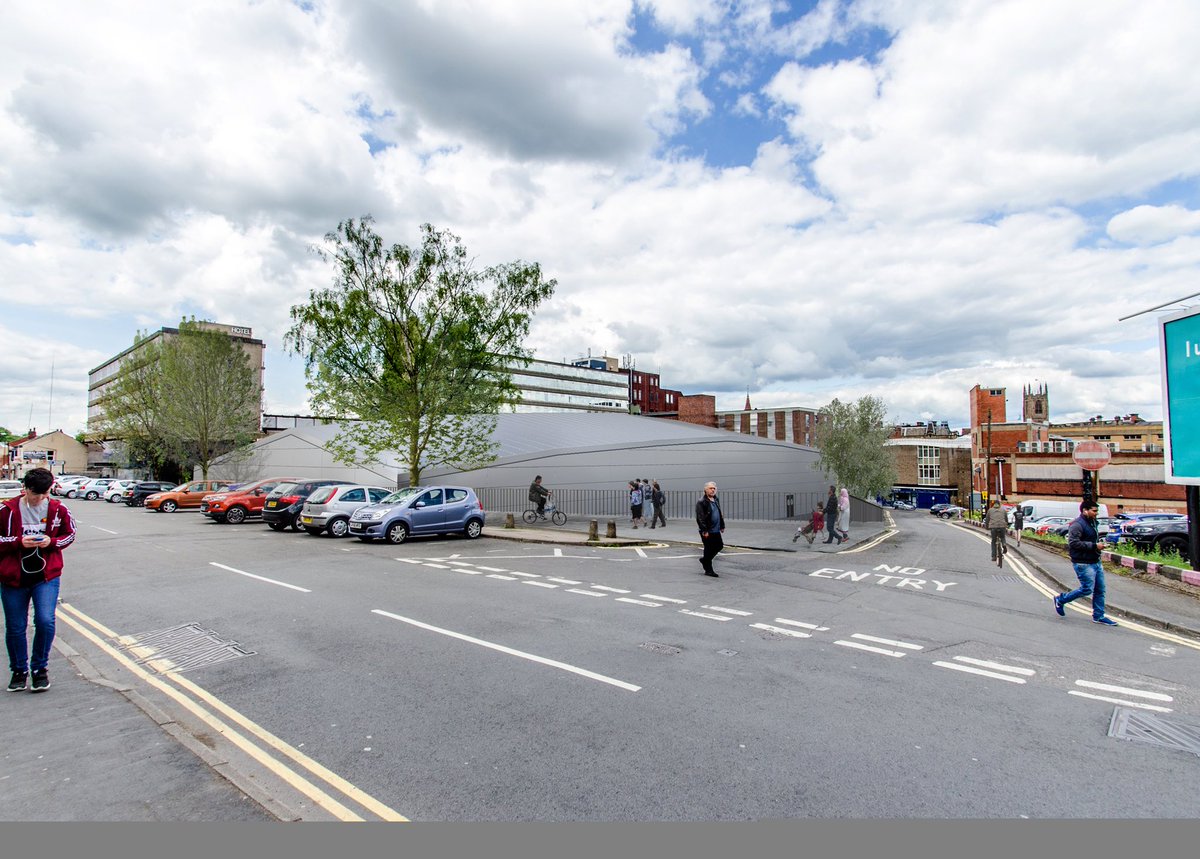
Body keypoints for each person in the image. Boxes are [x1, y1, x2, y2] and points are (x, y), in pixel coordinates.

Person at [2, 467, 76, 693]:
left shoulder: (58, 509)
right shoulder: (7, 511)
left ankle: (39, 670)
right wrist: (18, 542)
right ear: (25, 489)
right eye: (36, 494)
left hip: (46, 576)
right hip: (13, 578)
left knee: (45, 621)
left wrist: (50, 542)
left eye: (45, 494)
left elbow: (70, 534)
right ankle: (19, 671)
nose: (41, 499)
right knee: (16, 627)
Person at [1054, 500, 1118, 626]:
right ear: (1085, 510)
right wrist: (1094, 545)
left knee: (1100, 590)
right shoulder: (1077, 524)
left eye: (1097, 511)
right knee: (1087, 589)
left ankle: (1098, 616)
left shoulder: (1092, 522)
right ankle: (1061, 599)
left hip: (1095, 561)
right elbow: (1073, 543)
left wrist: (1098, 546)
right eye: (1094, 511)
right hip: (1083, 562)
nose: (1096, 513)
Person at [695, 481, 725, 576]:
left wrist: (722, 525)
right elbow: (700, 518)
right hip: (707, 530)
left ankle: (705, 560)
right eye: (710, 488)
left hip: (716, 529)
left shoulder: (716, 499)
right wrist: (704, 530)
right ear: (705, 490)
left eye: (714, 488)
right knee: (708, 548)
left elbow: (719, 513)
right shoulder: (701, 502)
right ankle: (709, 569)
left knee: (719, 546)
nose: (712, 490)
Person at [985, 499, 1008, 567]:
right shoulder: (1003, 510)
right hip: (1002, 526)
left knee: (993, 541)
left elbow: (987, 520)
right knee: (1003, 537)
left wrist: (987, 527)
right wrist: (1006, 525)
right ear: (999, 504)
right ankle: (1004, 544)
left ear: (993, 504)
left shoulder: (990, 510)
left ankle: (994, 556)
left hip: (993, 527)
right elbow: (1006, 519)